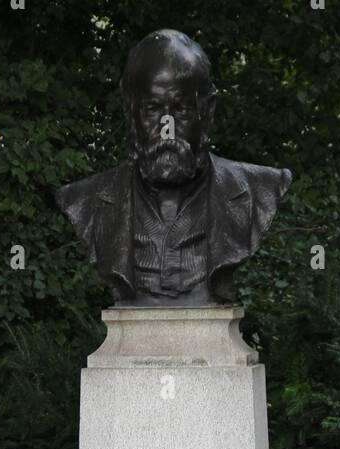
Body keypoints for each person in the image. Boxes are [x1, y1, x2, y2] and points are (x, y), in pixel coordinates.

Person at [55, 29, 291, 305]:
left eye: (181, 110)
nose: (167, 129)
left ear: (208, 111)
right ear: (130, 111)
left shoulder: (257, 190)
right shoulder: (85, 200)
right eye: (153, 109)